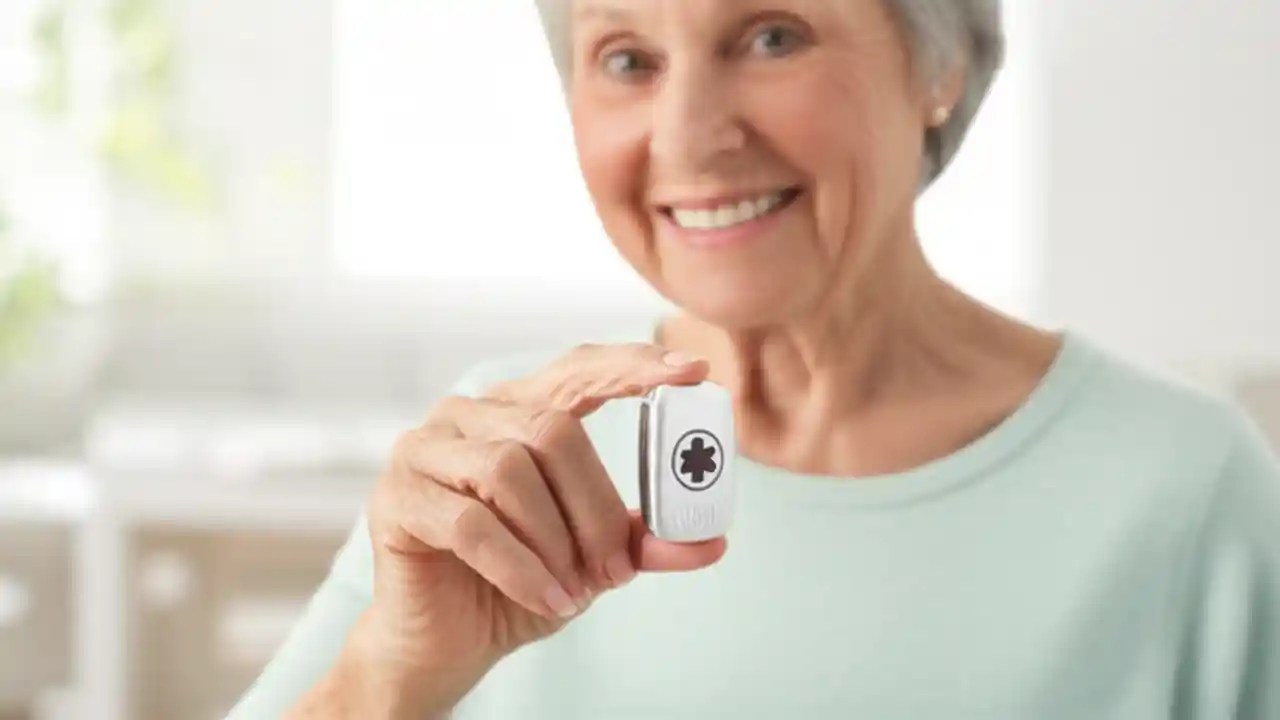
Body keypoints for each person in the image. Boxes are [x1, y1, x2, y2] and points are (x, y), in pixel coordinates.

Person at [230, 0, 1280, 717]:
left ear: (939, 63)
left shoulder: (1182, 488)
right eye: (627, 59)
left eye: (771, 35)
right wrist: (391, 676)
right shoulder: (509, 458)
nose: (687, 137)